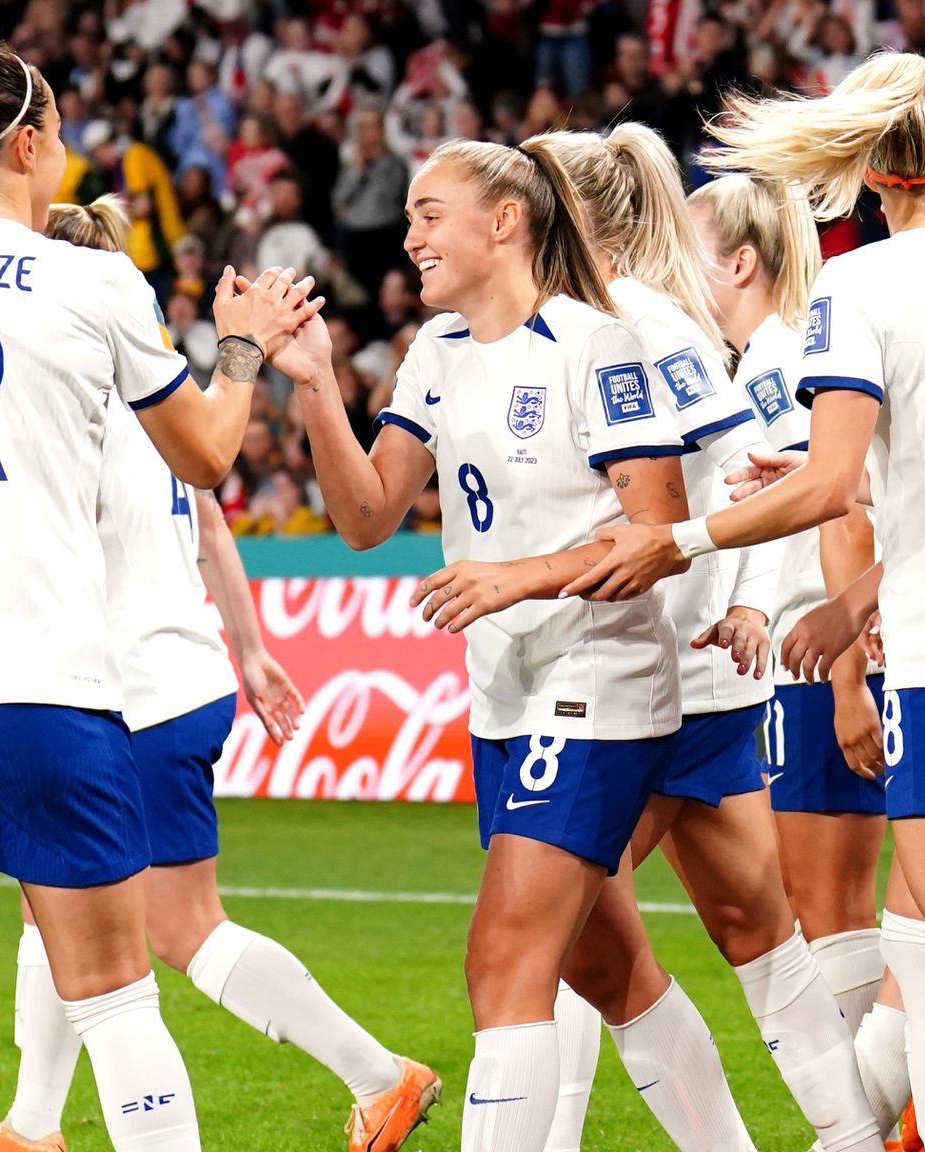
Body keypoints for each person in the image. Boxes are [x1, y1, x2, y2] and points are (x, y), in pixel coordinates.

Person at [570, 53, 925, 1152]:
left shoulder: (861, 284)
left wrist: (681, 535)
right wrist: (845, 539)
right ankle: (874, 1133)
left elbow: (824, 485)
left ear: (877, 173)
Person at [0, 13, 316, 1151]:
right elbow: (204, 457)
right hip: (37, 675)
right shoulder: (89, 284)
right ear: (31, 142)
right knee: (114, 997)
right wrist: (238, 346)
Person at [282, 135, 734, 1152]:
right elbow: (363, 516)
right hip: (506, 688)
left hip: (598, 679)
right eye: (406, 217)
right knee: (603, 969)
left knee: (502, 960)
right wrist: (314, 384)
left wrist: (517, 576)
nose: (409, 236)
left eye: (427, 212)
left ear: (506, 219)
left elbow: (657, 528)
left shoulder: (593, 343)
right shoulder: (434, 352)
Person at [0, 197, 437, 1152]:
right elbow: (211, 523)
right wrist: (254, 652)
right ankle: (32, 1122)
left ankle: (381, 1076)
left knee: (182, 929)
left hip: (126, 691)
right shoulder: (158, 390)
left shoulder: (60, 404)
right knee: (49, 892)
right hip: (164, 677)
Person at [518, 124, 880, 1152]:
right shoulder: (588, 322)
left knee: (558, 923)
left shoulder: (637, 324)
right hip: (675, 676)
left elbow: (755, 464)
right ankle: (855, 1132)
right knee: (755, 933)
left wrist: (752, 600)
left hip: (658, 678)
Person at [689, 169, 901, 1132]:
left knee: (831, 902)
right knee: (831, 901)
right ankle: (886, 1112)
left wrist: (849, 670)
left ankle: (879, 1113)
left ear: (739, 261)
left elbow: (838, 508)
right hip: (827, 652)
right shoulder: (773, 356)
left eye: (688, 249)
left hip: (825, 661)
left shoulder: (777, 363)